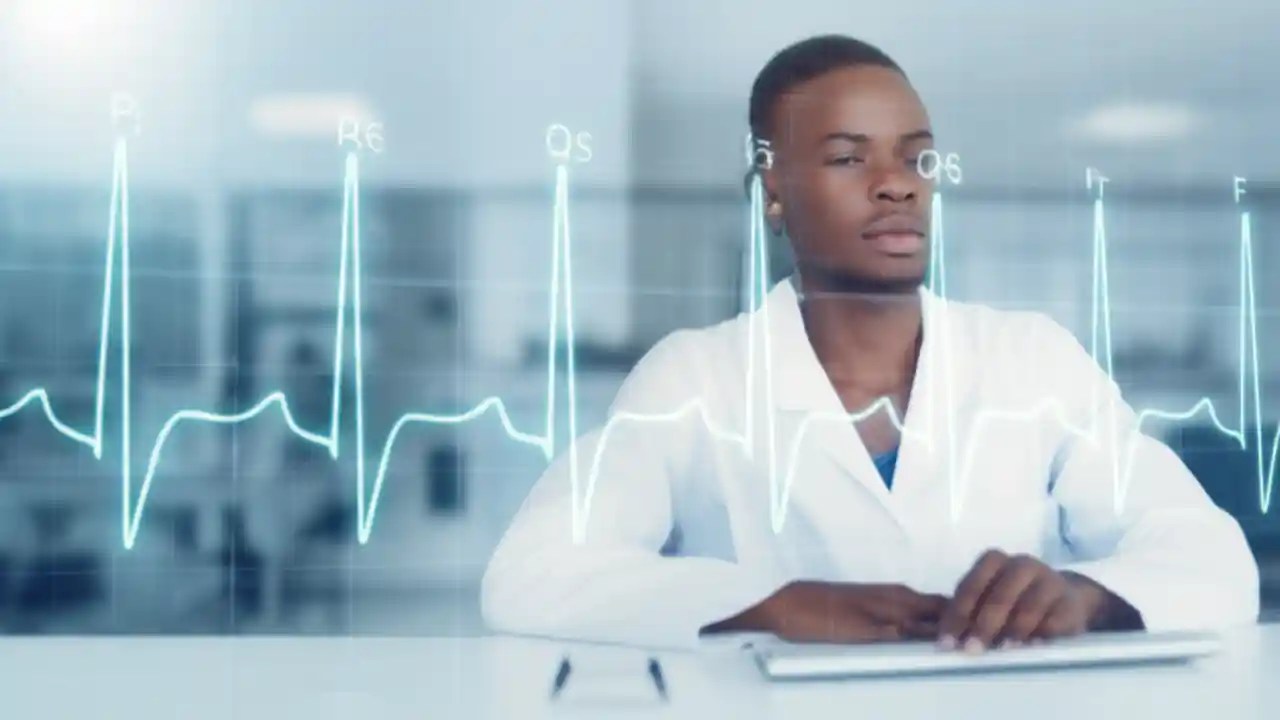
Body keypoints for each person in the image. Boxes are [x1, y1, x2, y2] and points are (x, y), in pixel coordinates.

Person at [481, 35, 1259, 651]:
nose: (899, 184)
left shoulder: (1033, 358)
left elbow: (1210, 559)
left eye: (915, 156)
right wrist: (777, 605)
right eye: (850, 157)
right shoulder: (696, 376)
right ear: (773, 194)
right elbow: (533, 574)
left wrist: (1090, 596)